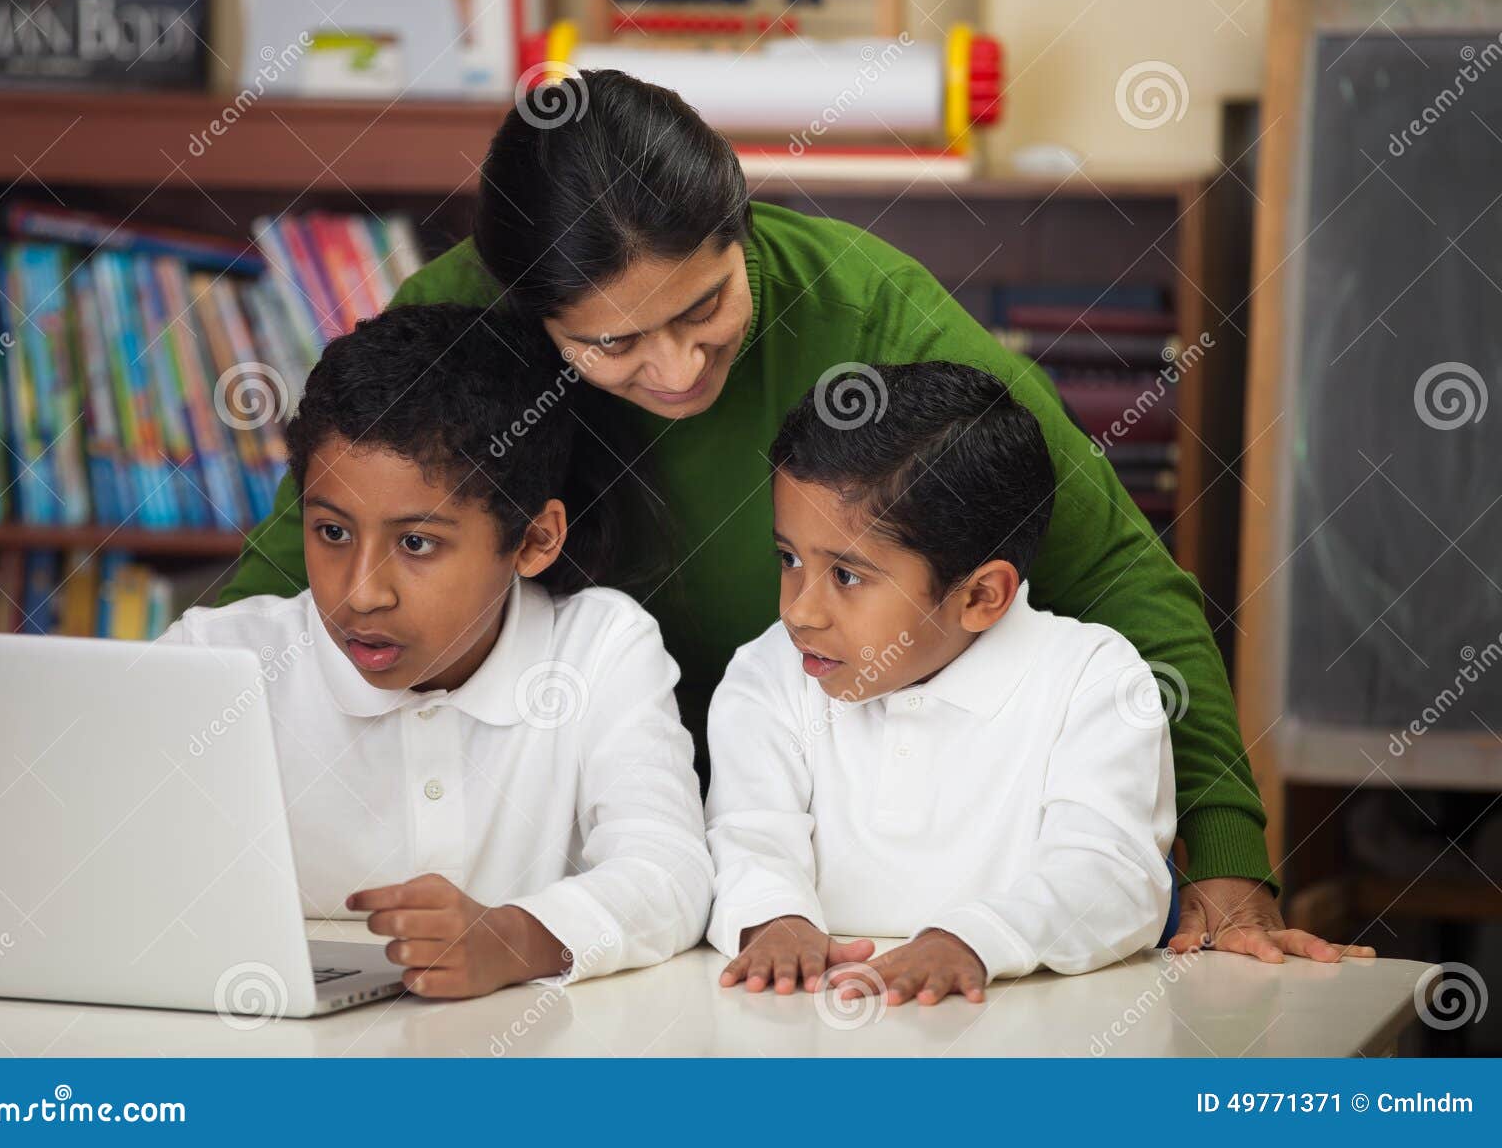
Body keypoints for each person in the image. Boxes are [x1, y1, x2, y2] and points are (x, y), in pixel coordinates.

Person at [219, 68, 1362, 964]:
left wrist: (1224, 867)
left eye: (706, 304)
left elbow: (1114, 571)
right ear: (527, 311)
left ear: (743, 224)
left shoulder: (872, 307)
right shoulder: (458, 319)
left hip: (826, 835)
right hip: (584, 849)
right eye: (613, 344)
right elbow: (288, 581)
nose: (674, 368)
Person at [158, 304, 712, 997]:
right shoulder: (213, 662)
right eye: (331, 532)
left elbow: (670, 871)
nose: (361, 593)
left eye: (416, 543)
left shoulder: (599, 649)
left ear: (535, 540)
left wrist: (514, 938)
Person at [709, 364, 1179, 1005]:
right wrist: (774, 917)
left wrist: (971, 940)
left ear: (983, 596)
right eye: (789, 559)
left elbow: (1110, 876)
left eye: (847, 576)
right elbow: (746, 835)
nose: (799, 611)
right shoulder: (769, 673)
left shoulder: (1091, 680)